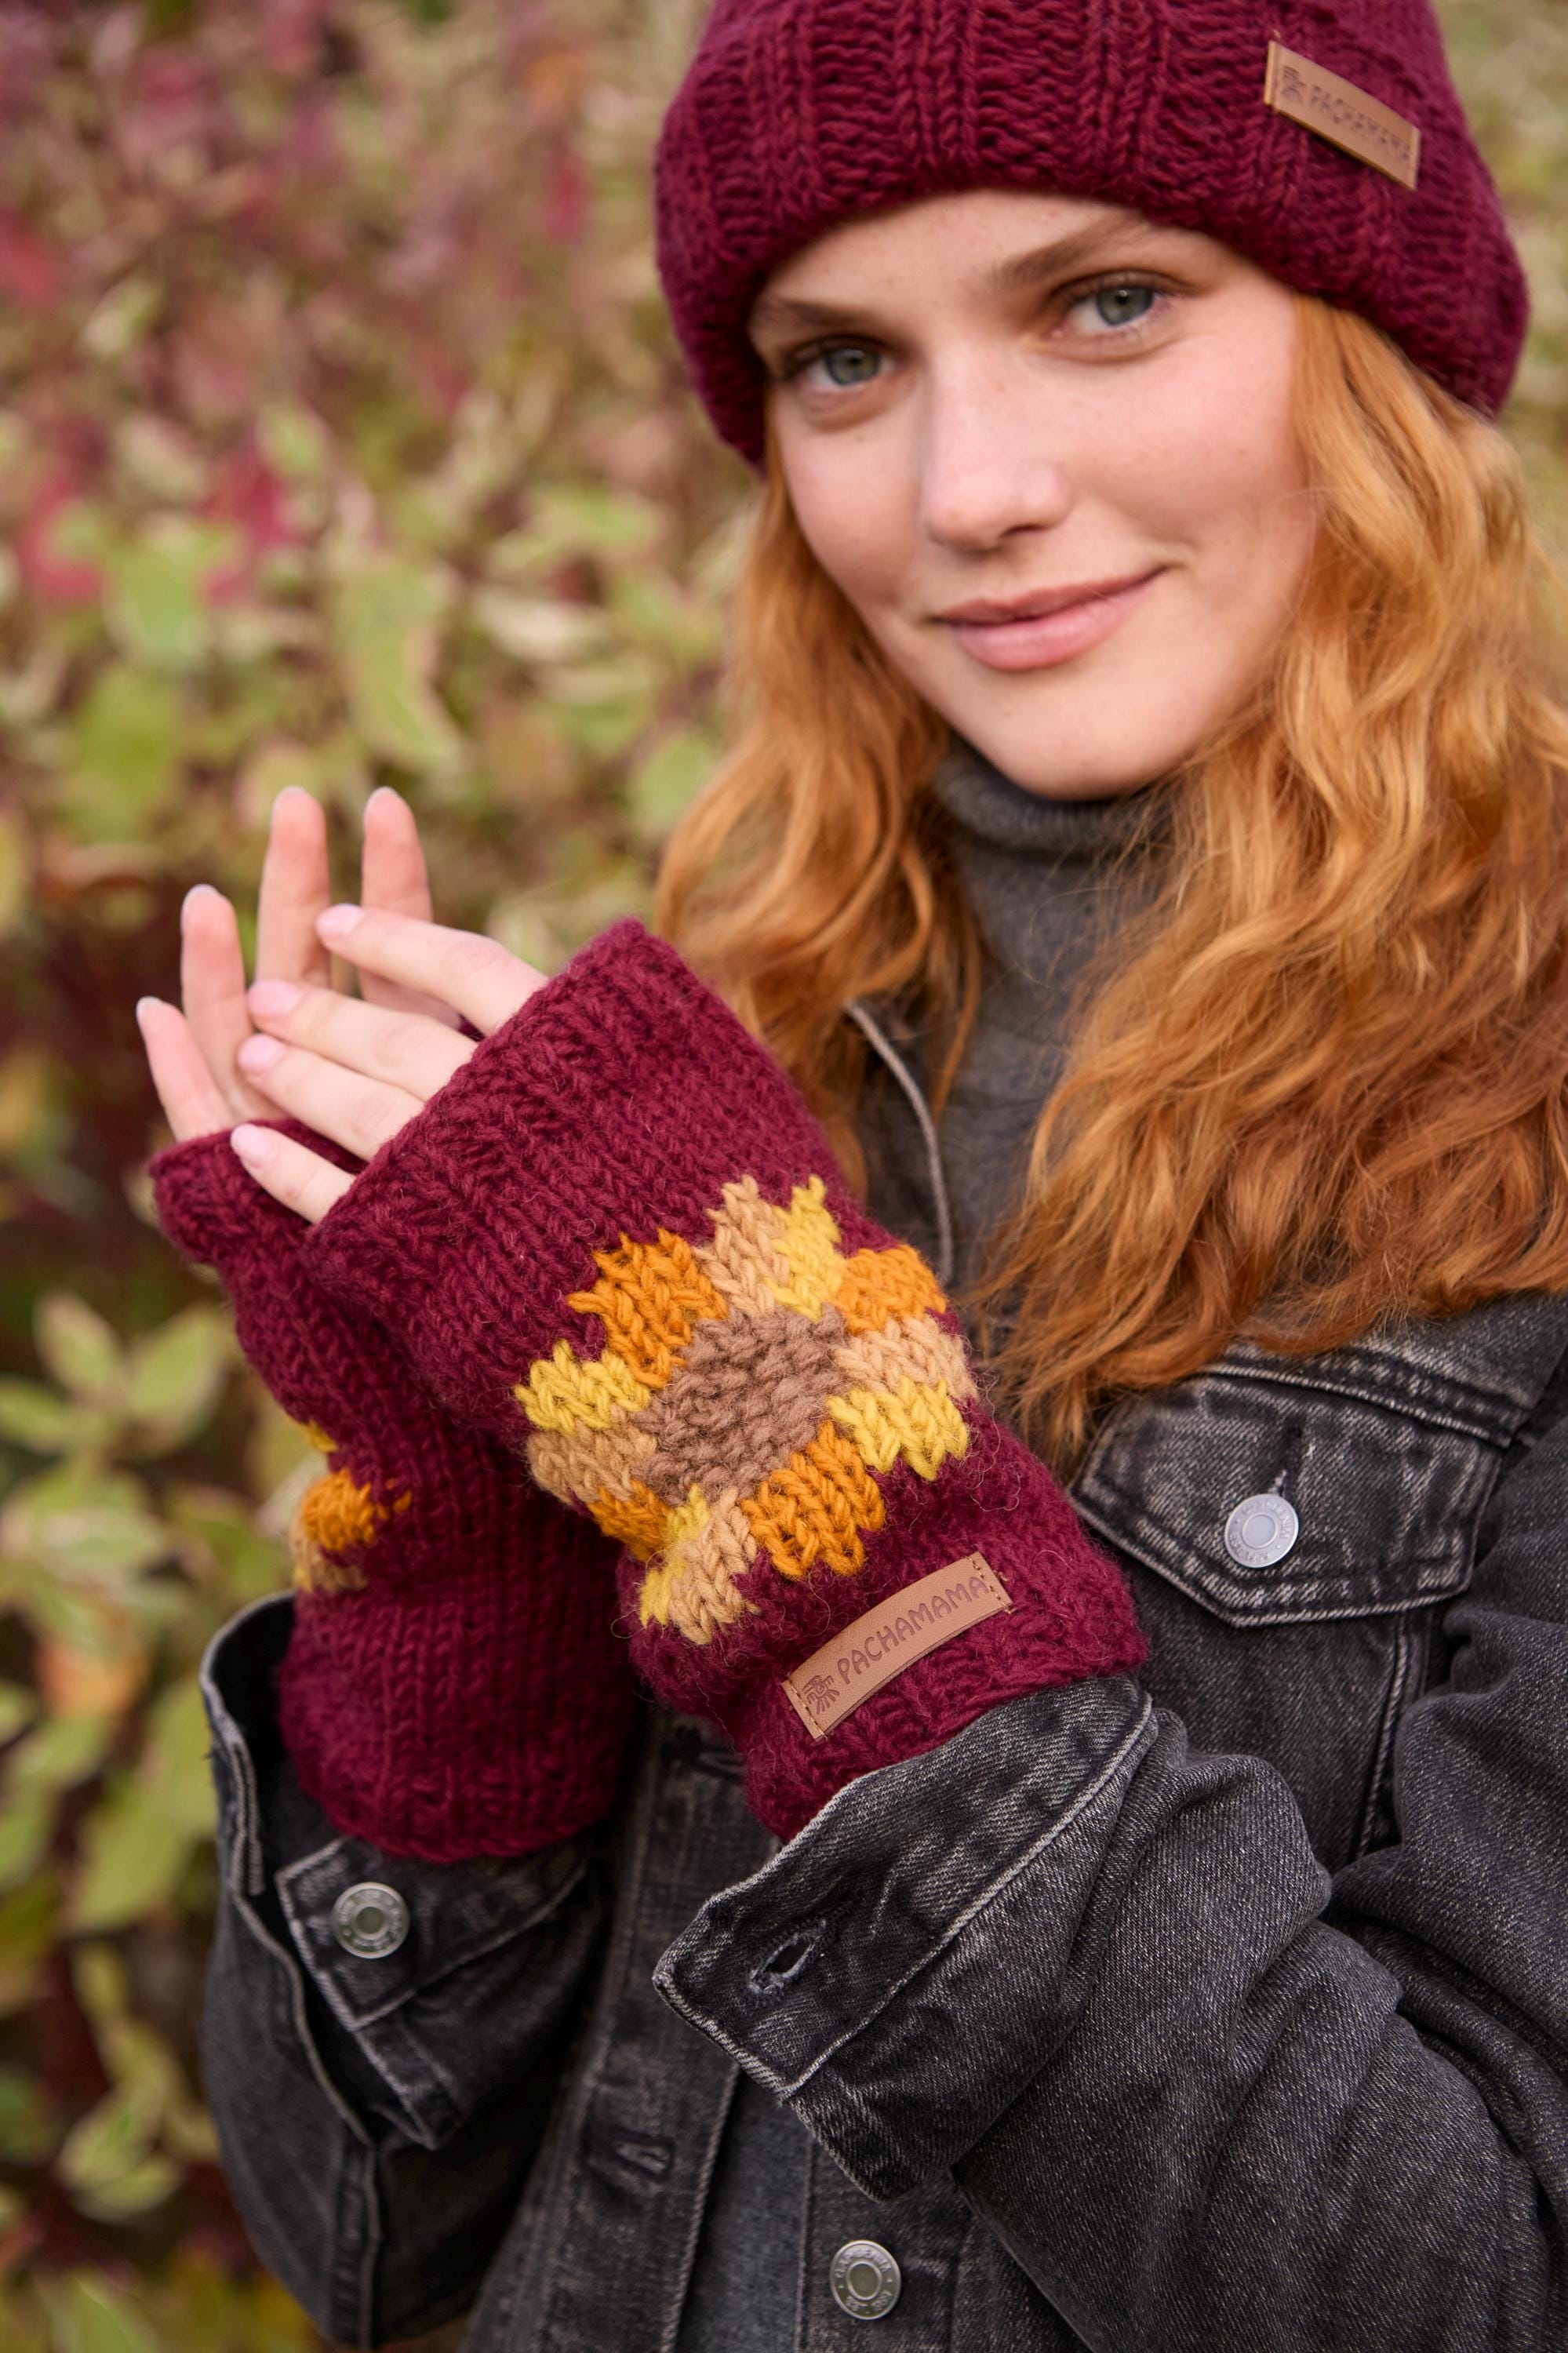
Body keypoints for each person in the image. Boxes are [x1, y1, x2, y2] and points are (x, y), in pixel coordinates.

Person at [135, 0, 1568, 2345]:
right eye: (842, 362)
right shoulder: (718, 1074)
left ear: (1372, 338)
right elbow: (368, 2244)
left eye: (1109, 301)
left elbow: (1478, 2285)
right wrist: (455, 1545)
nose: (964, 488)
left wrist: (795, 1475)